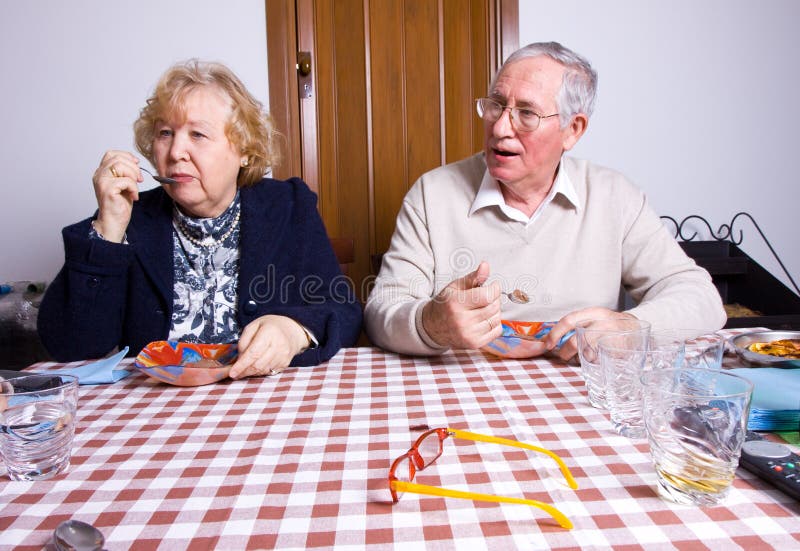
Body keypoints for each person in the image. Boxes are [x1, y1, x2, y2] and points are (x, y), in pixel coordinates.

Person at [364, 42, 725, 359]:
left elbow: (700, 298)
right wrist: (431, 324)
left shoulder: (615, 196)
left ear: (573, 129)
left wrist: (629, 326)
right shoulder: (433, 194)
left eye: (526, 113)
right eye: (496, 105)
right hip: (464, 391)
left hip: (581, 398)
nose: (501, 128)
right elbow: (382, 311)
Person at [38, 60, 362, 377]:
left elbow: (343, 310)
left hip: (264, 400)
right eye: (165, 133)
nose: (176, 150)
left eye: (197, 135)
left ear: (245, 149)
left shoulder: (288, 206)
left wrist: (294, 331)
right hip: (158, 411)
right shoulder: (129, 218)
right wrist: (108, 232)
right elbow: (71, 347)